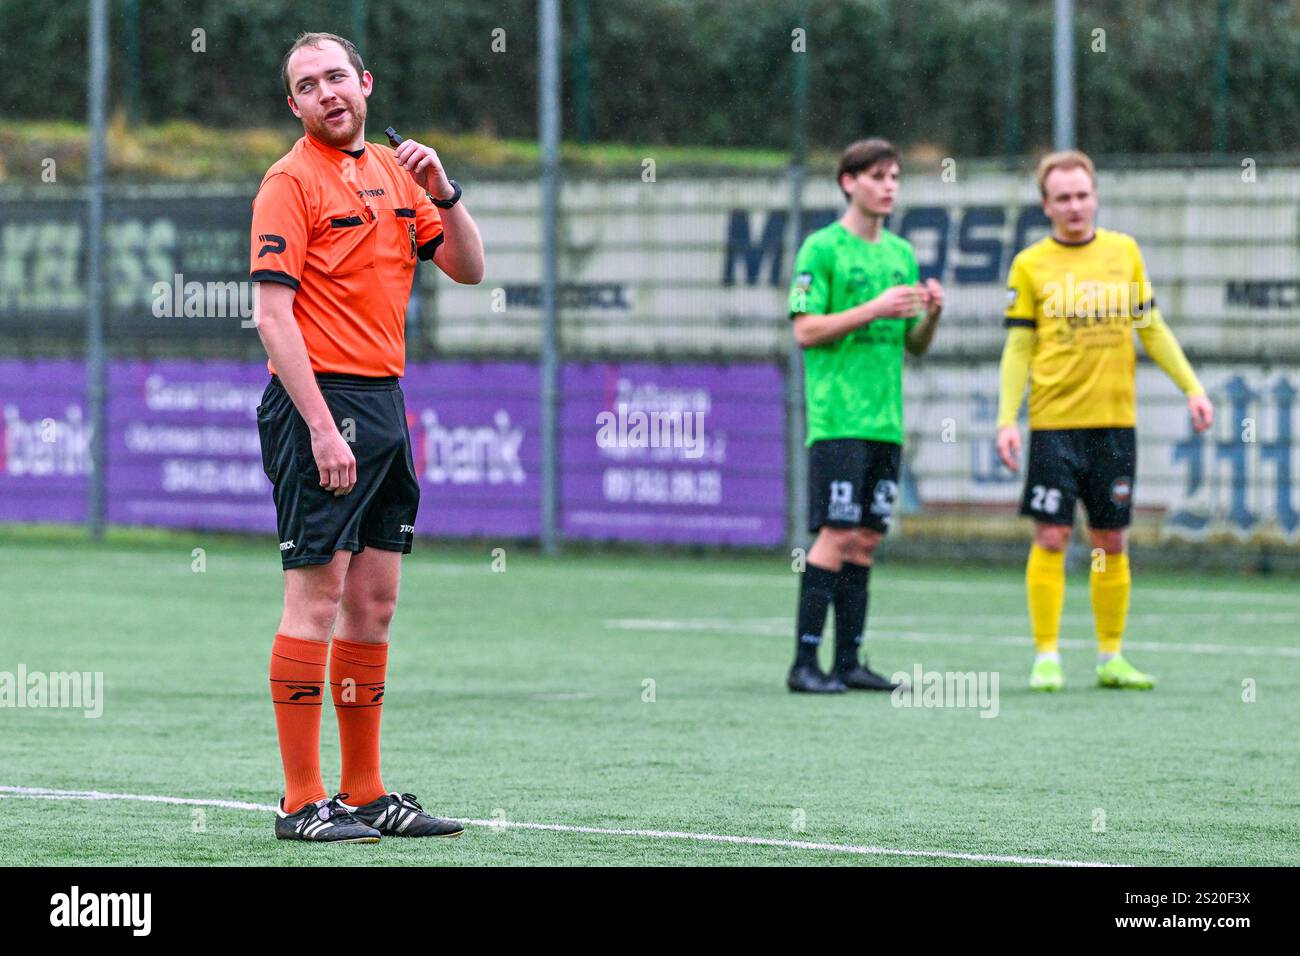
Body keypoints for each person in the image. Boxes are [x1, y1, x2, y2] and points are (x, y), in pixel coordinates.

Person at [250, 32, 483, 841]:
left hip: (384, 402)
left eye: (336, 77)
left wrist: (444, 188)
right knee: (314, 599)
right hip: (320, 403)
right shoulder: (289, 182)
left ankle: (364, 790)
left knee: (373, 606)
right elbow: (273, 316)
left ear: (366, 83)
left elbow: (468, 267)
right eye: (308, 85)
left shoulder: (394, 171)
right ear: (296, 105)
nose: (327, 93)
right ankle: (299, 801)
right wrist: (319, 427)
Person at [995, 149, 1214, 692]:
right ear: (1046, 205)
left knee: (1110, 541)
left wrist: (1192, 387)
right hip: (1053, 425)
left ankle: (1110, 656)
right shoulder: (1030, 264)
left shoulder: (1123, 253)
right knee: (1050, 535)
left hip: (1115, 425)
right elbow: (1018, 348)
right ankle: (1046, 655)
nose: (1075, 206)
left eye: (1082, 195)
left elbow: (1152, 327)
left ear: (1095, 197)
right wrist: (1006, 419)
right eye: (1063, 198)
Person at [786, 138, 943, 694]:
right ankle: (804, 664)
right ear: (849, 181)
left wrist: (931, 317)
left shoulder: (900, 255)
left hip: (885, 421)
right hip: (839, 419)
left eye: (895, 177)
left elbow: (914, 346)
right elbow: (805, 330)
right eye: (878, 176)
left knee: (866, 540)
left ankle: (848, 661)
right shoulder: (821, 249)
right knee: (835, 532)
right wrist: (873, 308)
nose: (889, 186)